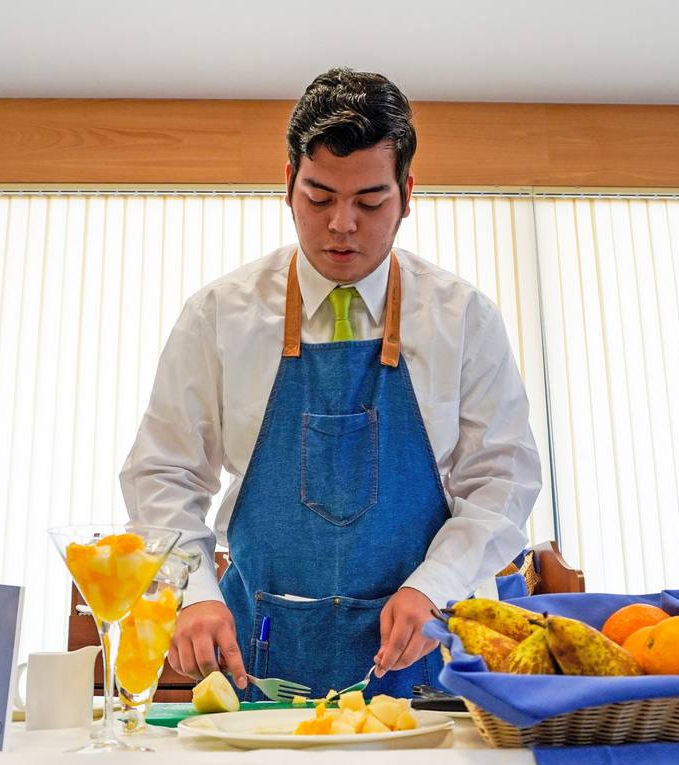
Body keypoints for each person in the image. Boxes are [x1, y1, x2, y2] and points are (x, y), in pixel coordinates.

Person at [120, 67, 541, 700]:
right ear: (288, 184)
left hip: (424, 661)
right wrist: (193, 592)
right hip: (257, 660)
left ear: (407, 194)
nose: (343, 224)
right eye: (319, 198)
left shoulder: (463, 318)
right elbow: (162, 473)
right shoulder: (219, 315)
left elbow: (502, 478)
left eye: (370, 202)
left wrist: (435, 584)